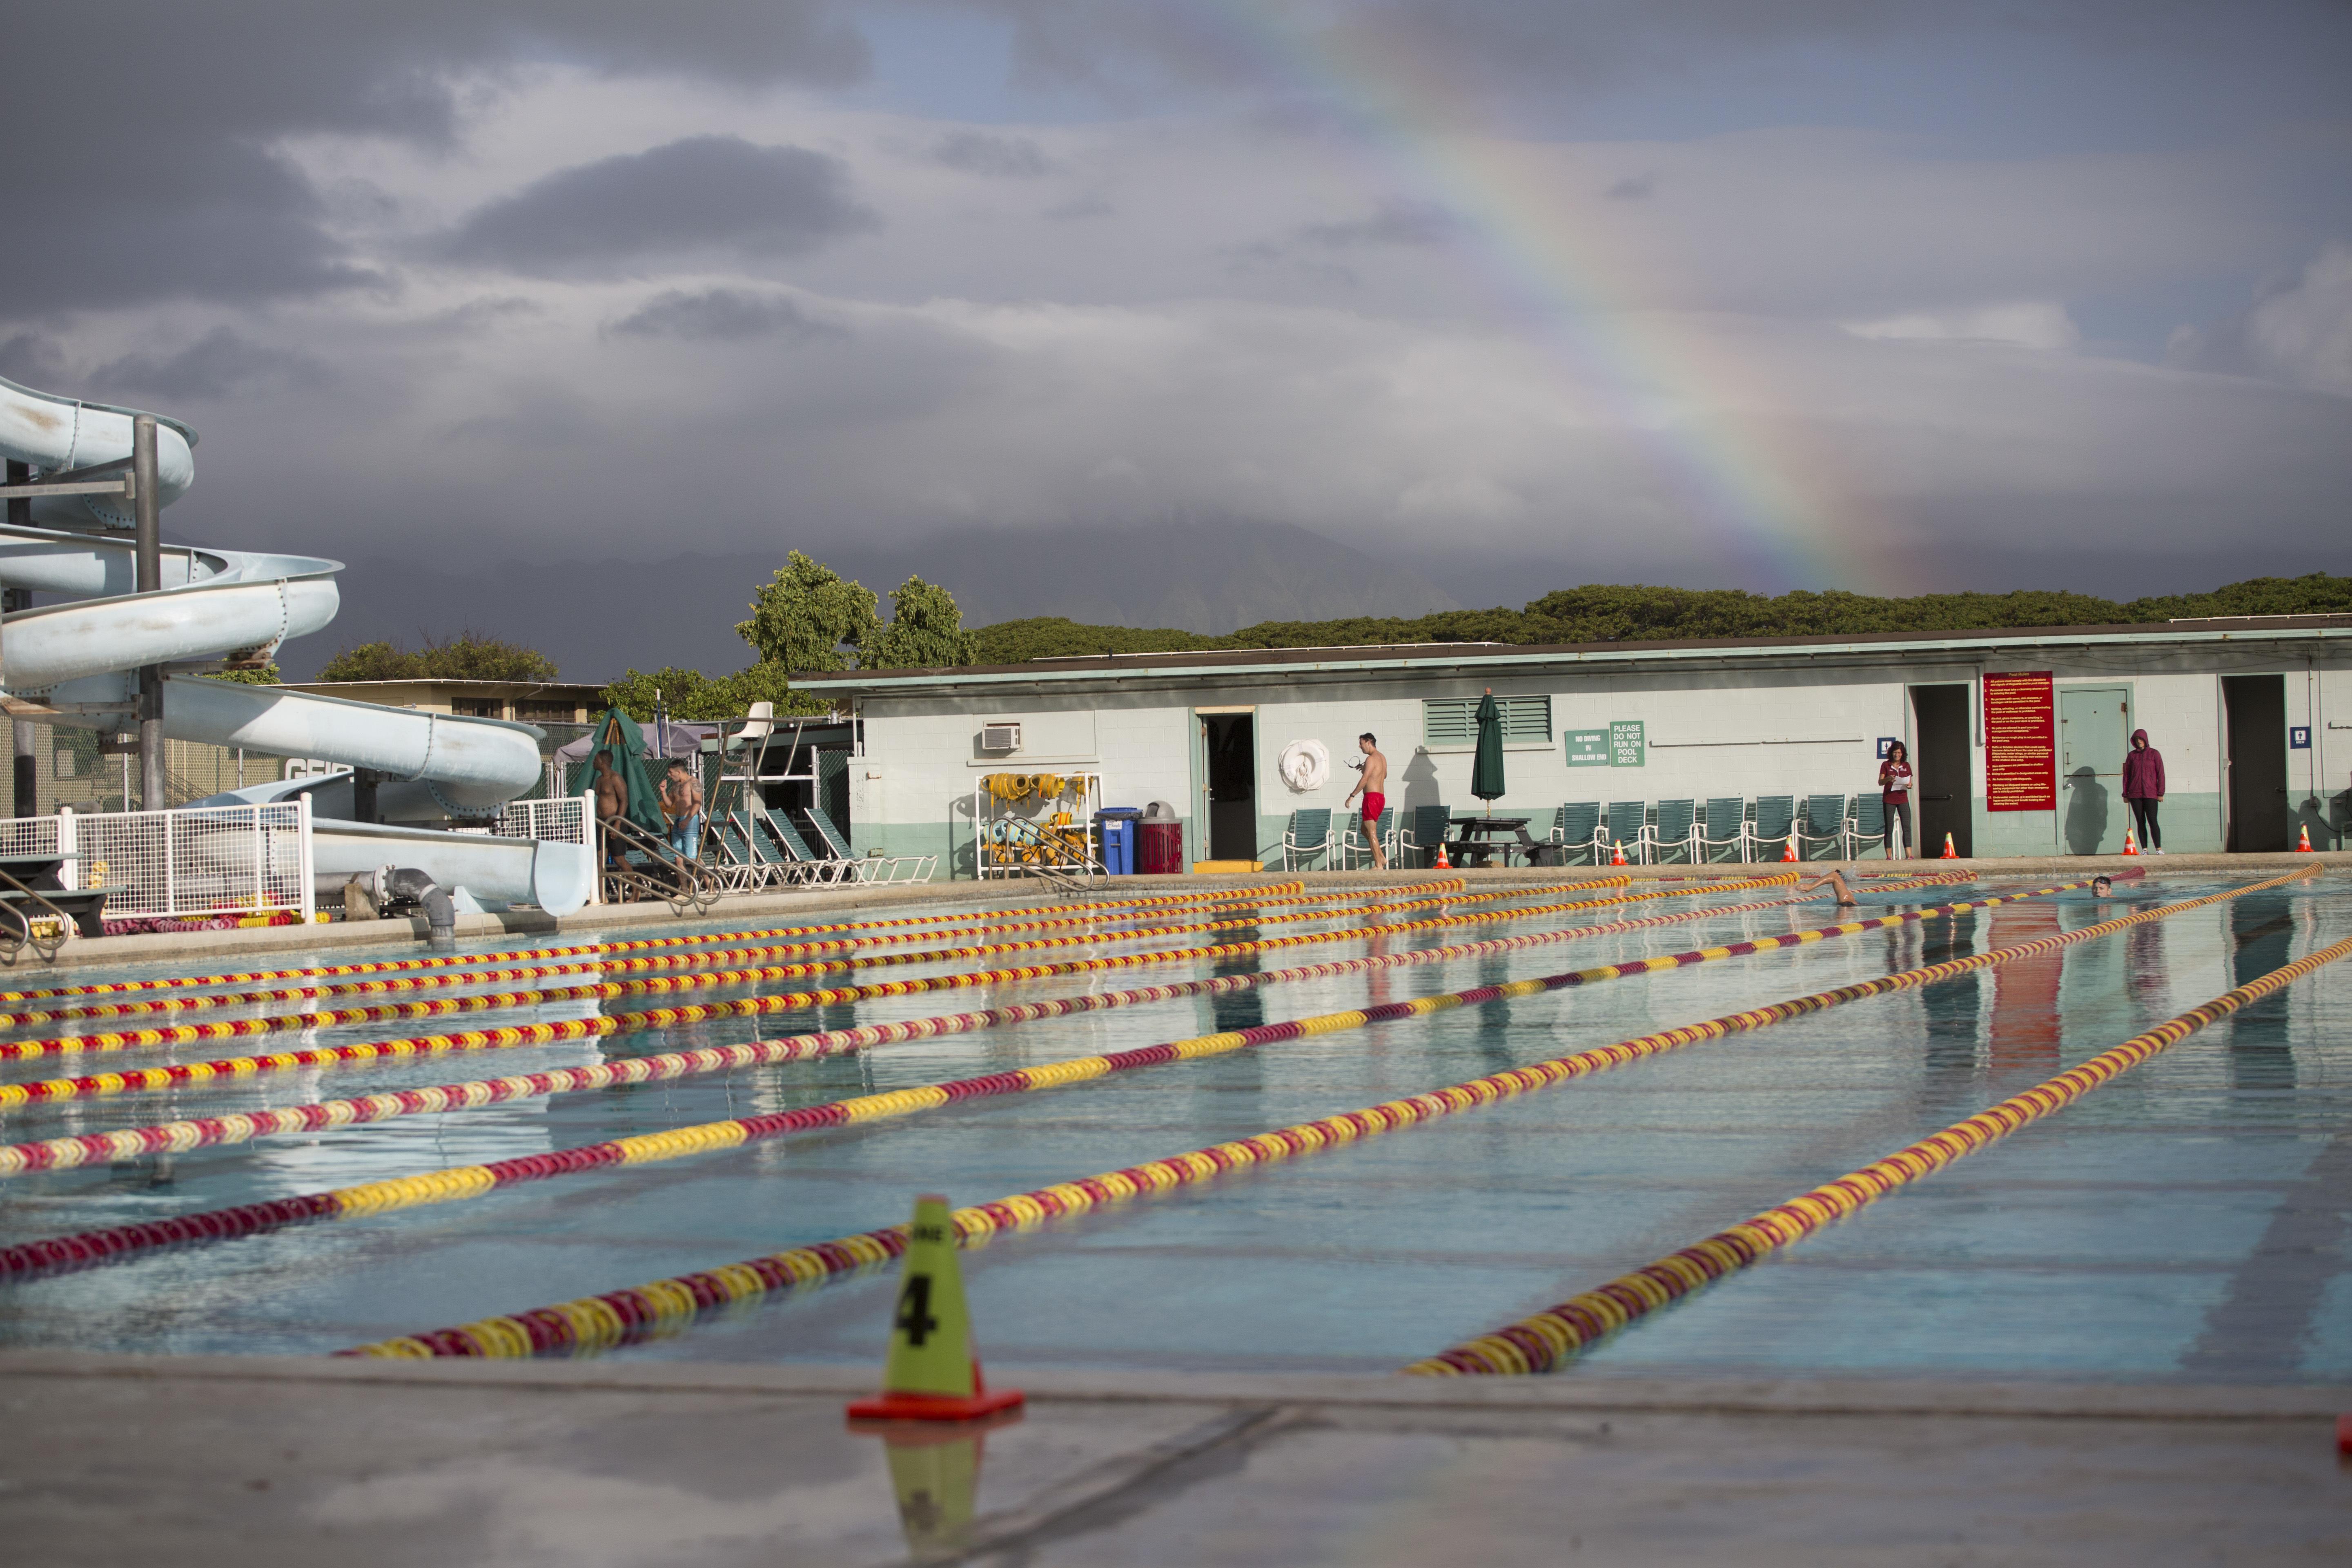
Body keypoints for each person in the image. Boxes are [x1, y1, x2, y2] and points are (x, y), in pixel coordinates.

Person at [1343, 731, 1389, 870]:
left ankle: (1379, 865)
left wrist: (1352, 795)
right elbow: (1384, 775)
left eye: (1361, 744)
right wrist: (1365, 769)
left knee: (1372, 832)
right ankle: (1382, 858)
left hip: (1372, 798)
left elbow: (1365, 779)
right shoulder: (1382, 757)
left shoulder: (1371, 759)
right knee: (1365, 830)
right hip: (1381, 798)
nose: (1360, 747)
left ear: (1369, 742)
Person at [2122, 728, 2165, 854]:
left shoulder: (2154, 754)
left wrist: (2160, 793)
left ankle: (2159, 849)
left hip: (2151, 793)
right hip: (2135, 794)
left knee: (2153, 820)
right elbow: (2127, 776)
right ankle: (2144, 849)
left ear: (2145, 740)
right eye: (2137, 740)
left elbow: (2161, 774)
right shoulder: (2132, 756)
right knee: (2140, 822)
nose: (2139, 741)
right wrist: (2126, 794)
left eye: (2141, 739)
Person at [660, 757, 704, 864]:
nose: (669, 775)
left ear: (679, 772)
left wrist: (688, 820)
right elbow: (669, 804)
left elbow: (698, 803)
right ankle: (683, 881)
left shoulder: (693, 782)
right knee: (678, 859)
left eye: (671, 772)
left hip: (690, 820)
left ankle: (708, 880)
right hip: (678, 821)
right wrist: (663, 792)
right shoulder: (676, 785)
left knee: (692, 858)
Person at [1878, 740, 1915, 859]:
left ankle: (1909, 855)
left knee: (1907, 827)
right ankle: (1889, 856)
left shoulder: (1906, 765)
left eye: (1899, 753)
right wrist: (1888, 779)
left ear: (1902, 754)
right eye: (1895, 752)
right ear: (1891, 753)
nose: (1897, 755)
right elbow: (1880, 782)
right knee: (1889, 828)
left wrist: (1910, 786)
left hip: (1903, 799)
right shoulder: (1886, 765)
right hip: (1889, 799)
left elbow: (1910, 783)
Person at [592, 751, 628, 868]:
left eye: (596, 760)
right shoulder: (599, 780)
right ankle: (600, 886)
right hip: (601, 823)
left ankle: (635, 886)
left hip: (614, 822)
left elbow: (624, 801)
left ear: (602, 762)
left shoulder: (616, 778)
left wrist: (617, 824)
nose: (594, 762)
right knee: (599, 859)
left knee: (619, 859)